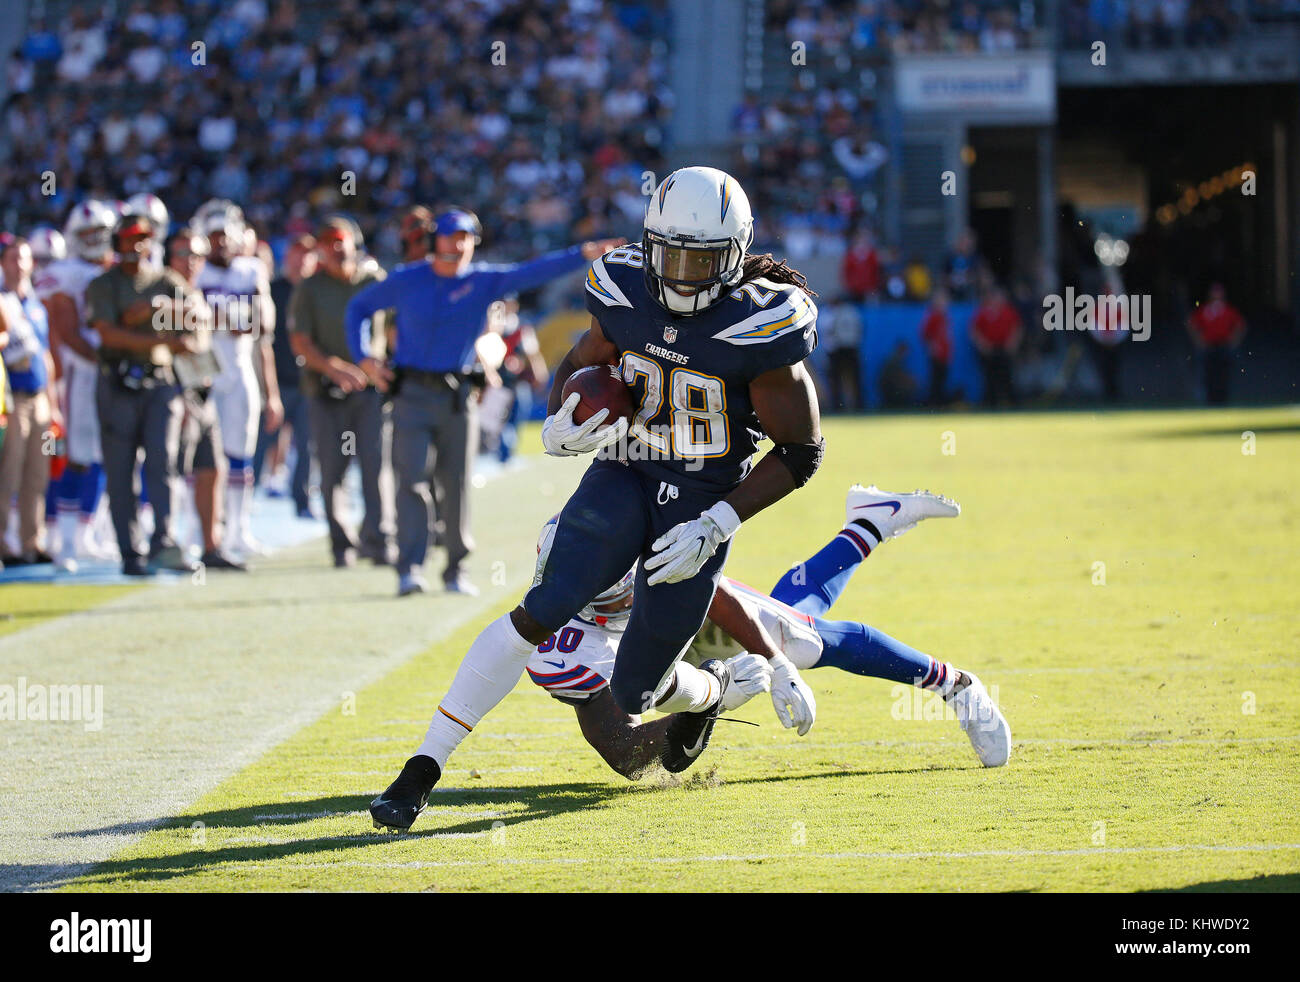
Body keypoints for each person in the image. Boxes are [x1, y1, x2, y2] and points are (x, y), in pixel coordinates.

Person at [369, 166, 824, 831]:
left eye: (701, 260)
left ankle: (714, 688)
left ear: (731, 256)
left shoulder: (763, 326)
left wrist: (720, 522)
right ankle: (421, 770)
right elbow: (580, 364)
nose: (682, 274)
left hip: (699, 500)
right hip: (627, 471)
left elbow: (801, 453)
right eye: (669, 255)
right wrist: (560, 419)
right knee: (541, 610)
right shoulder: (622, 289)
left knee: (639, 686)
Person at [522, 486, 1008, 779]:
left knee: (802, 642)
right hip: (660, 649)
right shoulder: (556, 645)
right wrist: (705, 703)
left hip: (692, 610)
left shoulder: (648, 544)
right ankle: (867, 523)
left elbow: (709, 594)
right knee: (793, 622)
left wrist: (778, 666)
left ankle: (955, 685)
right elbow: (625, 752)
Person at [344, 207, 623, 597]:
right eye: (450, 236)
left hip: (459, 396)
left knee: (455, 482)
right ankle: (411, 567)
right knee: (411, 481)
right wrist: (365, 359)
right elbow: (357, 308)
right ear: (434, 240)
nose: (458, 244)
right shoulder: (408, 279)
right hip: (410, 395)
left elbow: (532, 271)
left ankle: (456, 569)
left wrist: (583, 253)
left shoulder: (483, 280)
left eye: (466, 238)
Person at [86, 212, 207, 575]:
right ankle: (130, 550)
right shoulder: (104, 284)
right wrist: (163, 338)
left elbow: (198, 318)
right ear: (117, 243)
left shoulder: (165, 281)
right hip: (118, 383)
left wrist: (158, 309)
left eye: (143, 239)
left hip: (160, 384)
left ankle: (164, 543)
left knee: (163, 463)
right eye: (128, 240)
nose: (136, 246)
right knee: (121, 470)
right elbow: (109, 334)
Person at [289, 219, 394, 567]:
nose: (334, 248)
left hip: (370, 391)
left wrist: (384, 368)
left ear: (355, 243)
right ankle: (341, 544)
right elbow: (300, 341)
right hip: (325, 391)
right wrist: (335, 367)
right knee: (333, 470)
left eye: (340, 241)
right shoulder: (310, 287)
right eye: (327, 242)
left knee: (375, 467)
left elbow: (397, 327)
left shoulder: (374, 281)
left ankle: (378, 541)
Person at [195, 200, 281, 559]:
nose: (220, 244)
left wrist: (272, 391)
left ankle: (238, 529)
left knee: (240, 454)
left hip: (241, 368)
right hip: (205, 373)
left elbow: (261, 325)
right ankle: (202, 531)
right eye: (213, 237)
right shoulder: (195, 271)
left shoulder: (251, 270)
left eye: (224, 237)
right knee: (201, 457)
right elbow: (185, 321)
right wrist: (229, 316)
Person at [35, 200, 116, 572]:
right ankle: (63, 538)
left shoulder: (120, 269)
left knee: (101, 453)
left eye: (100, 232)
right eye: (87, 234)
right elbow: (66, 332)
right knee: (73, 454)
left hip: (110, 372)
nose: (96, 240)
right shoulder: (63, 273)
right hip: (77, 373)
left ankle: (84, 533)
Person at [166, 228, 244, 570]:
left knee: (212, 468)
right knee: (176, 472)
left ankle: (210, 546)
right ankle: (175, 544)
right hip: (175, 392)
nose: (191, 262)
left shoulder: (194, 292)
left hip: (201, 391)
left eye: (196, 255)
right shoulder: (164, 289)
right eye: (183, 254)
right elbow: (168, 346)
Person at [0, 235, 58, 565]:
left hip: (39, 398)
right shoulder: (2, 302)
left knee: (37, 473)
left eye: (24, 258)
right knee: (8, 473)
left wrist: (54, 405)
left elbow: (46, 356)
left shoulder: (35, 306)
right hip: (12, 397)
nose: (19, 265)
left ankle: (30, 540)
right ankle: (3, 542)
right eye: (12, 258)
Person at [256, 234, 315, 517]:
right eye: (297, 253)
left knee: (307, 447)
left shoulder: (316, 291)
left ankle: (302, 501)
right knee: (260, 445)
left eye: (307, 254)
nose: (301, 260)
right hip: (276, 381)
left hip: (308, 383)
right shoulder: (271, 289)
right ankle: (244, 505)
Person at [1186, 283, 1245, 406]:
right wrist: (1199, 341)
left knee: (1223, 374)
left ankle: (1222, 399)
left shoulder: (1228, 310)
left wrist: (1233, 341)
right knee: (1209, 374)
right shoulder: (1205, 310)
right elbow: (1191, 324)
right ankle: (1210, 399)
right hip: (1209, 346)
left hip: (1223, 345)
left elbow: (1240, 325)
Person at [970, 285, 1022, 408]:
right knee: (989, 376)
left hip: (1004, 348)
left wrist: (1013, 342)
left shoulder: (1008, 311)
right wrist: (982, 344)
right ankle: (990, 401)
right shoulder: (984, 311)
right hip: (989, 349)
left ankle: (1010, 400)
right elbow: (974, 330)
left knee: (1006, 374)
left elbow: (1017, 328)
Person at [824, 295, 863, 412]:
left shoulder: (834, 313)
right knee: (854, 378)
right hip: (851, 347)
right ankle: (857, 404)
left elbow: (831, 331)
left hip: (839, 348)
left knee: (836, 379)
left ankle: (837, 405)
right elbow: (860, 329)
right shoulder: (853, 312)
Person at [920, 287, 952, 405]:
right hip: (936, 353)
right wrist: (931, 347)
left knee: (942, 378)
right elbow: (926, 334)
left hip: (944, 353)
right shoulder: (933, 316)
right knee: (936, 378)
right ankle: (934, 402)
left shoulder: (944, 316)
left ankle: (939, 401)